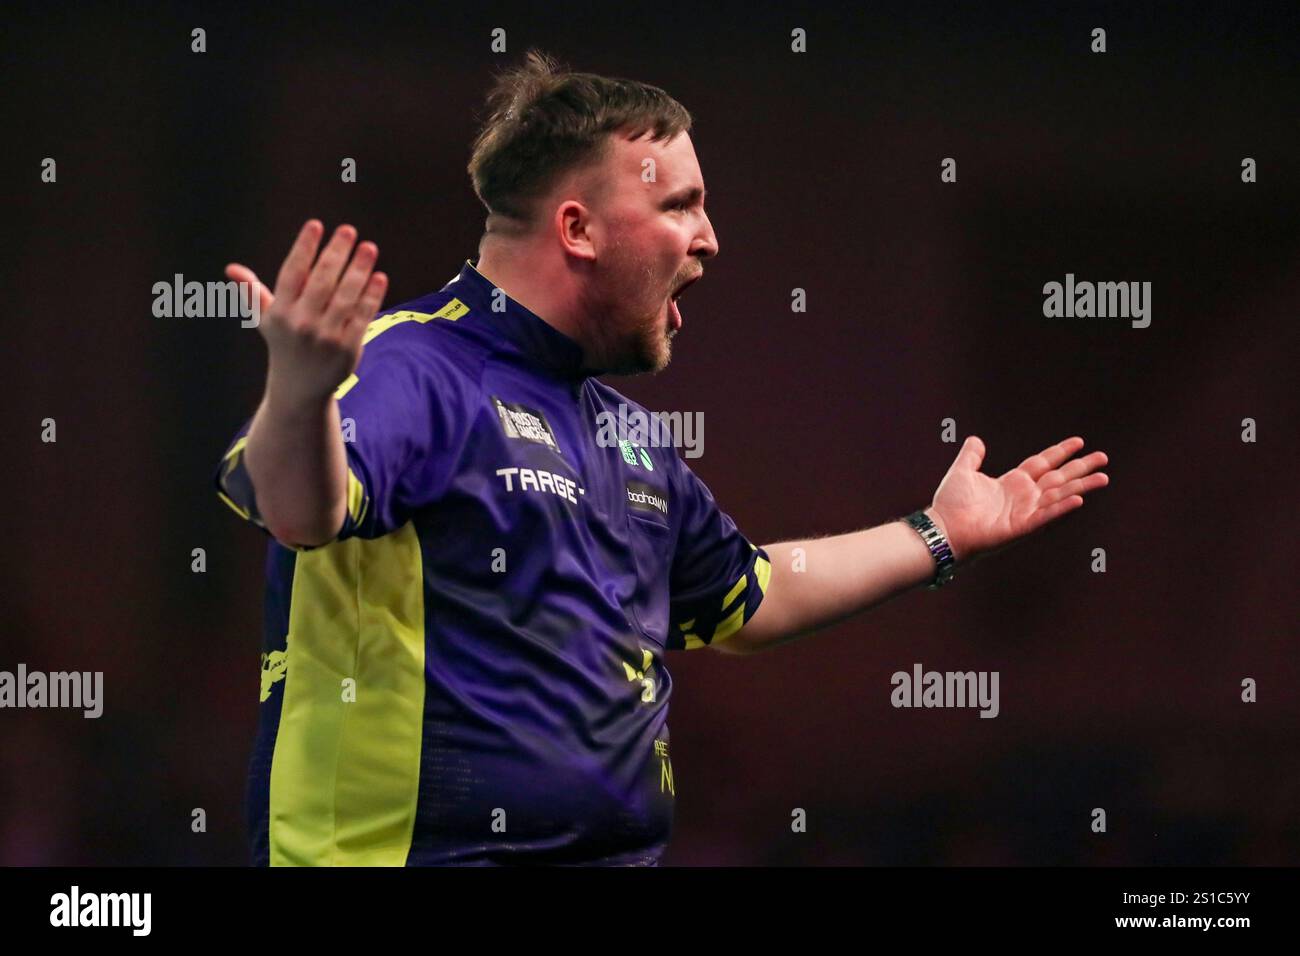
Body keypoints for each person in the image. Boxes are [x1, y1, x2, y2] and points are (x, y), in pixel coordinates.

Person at [213, 51, 1109, 866]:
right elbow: (297, 510)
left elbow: (751, 595)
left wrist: (939, 532)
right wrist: (296, 392)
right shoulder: (413, 366)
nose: (710, 239)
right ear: (578, 228)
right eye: (680, 204)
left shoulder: (626, 437)